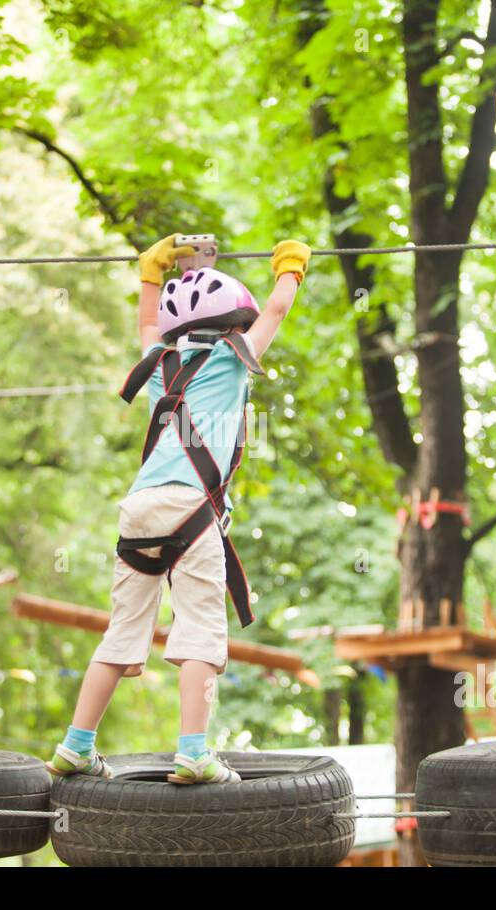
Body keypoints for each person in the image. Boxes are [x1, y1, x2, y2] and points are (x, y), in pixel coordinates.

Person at [46, 234, 310, 784]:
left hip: (139, 507)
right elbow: (280, 307)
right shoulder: (234, 360)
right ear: (235, 325)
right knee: (200, 632)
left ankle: (75, 745)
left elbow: (147, 326)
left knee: (121, 633)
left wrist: (150, 273)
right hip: (192, 511)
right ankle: (193, 751)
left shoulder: (160, 365)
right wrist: (290, 260)